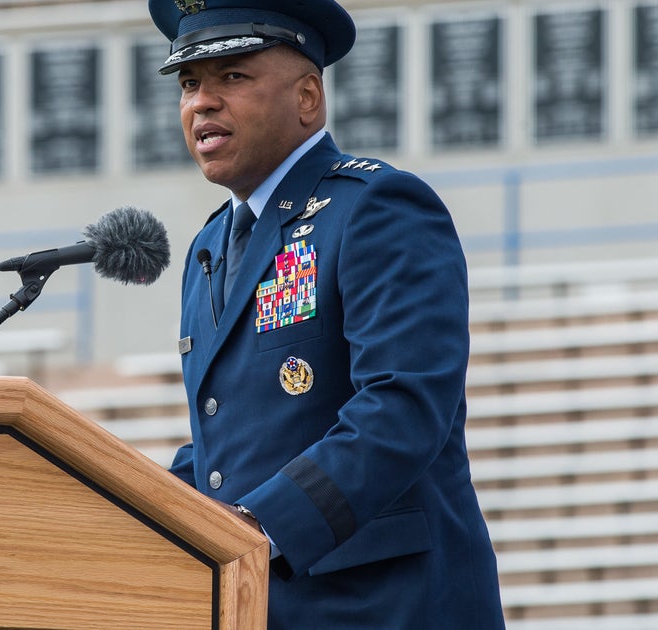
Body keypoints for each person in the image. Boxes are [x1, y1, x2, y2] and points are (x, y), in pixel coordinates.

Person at [148, 0, 506, 627]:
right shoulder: (209, 245)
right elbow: (228, 446)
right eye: (189, 83)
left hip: (388, 606)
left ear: (308, 96)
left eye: (232, 77)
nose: (202, 102)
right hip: (263, 607)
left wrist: (257, 528)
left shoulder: (377, 207)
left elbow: (403, 406)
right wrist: (132, 509)